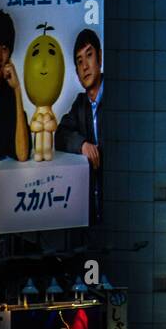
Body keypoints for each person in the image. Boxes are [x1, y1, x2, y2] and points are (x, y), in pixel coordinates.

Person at [0, 10, 30, 235]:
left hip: (2, 208)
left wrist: (18, 90)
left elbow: (22, 153)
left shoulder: (9, 97)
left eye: (4, 48)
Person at [55, 29, 104, 224]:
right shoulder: (80, 103)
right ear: (76, 72)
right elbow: (60, 135)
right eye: (79, 61)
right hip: (92, 202)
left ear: (99, 57)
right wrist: (82, 144)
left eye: (89, 55)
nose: (85, 66)